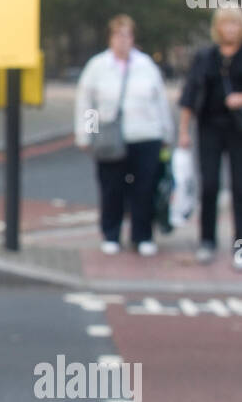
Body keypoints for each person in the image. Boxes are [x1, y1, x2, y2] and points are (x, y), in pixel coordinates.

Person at [177, 6, 242, 272]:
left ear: (241, 26)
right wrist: (184, 130)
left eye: (234, 24)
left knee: (240, 188)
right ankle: (207, 241)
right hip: (209, 127)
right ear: (218, 27)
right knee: (209, 185)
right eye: (225, 24)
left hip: (241, 128)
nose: (230, 29)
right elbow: (189, 94)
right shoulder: (205, 57)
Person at [75, 14, 175, 256]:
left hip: (145, 136)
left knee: (145, 188)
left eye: (127, 35)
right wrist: (87, 135)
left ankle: (143, 236)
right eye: (118, 35)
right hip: (111, 138)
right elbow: (87, 103)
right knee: (112, 188)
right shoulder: (97, 67)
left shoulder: (146, 65)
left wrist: (166, 132)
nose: (123, 40)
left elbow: (159, 100)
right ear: (110, 38)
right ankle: (111, 234)